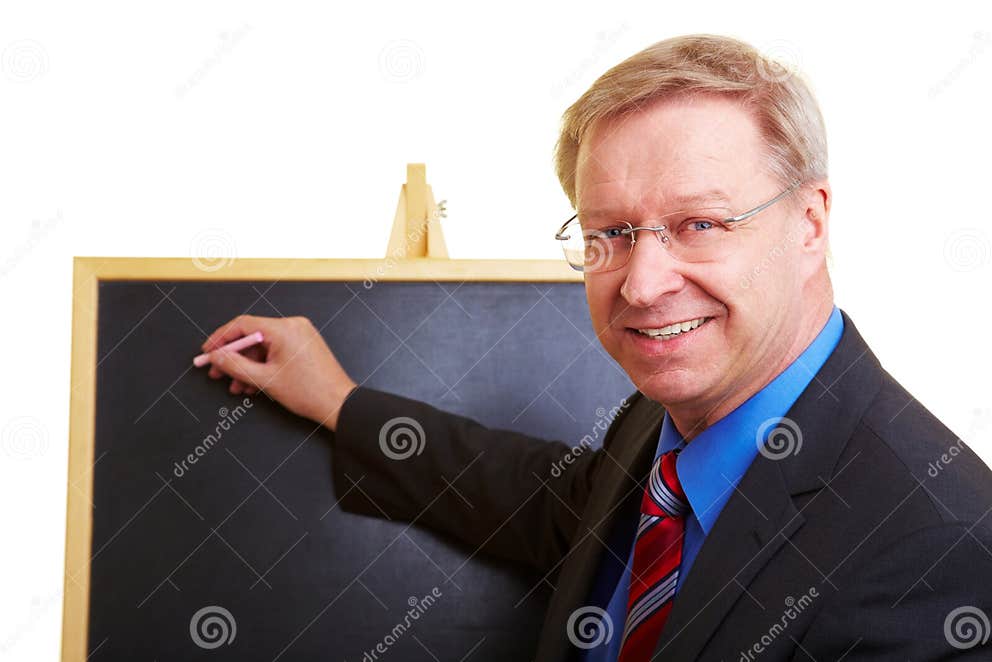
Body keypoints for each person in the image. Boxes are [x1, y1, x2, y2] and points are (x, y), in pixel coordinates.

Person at [200, 34, 992, 661]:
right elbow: (539, 500)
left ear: (811, 223)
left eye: (700, 224)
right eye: (611, 233)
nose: (643, 285)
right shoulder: (658, 433)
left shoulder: (940, 548)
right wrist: (339, 403)